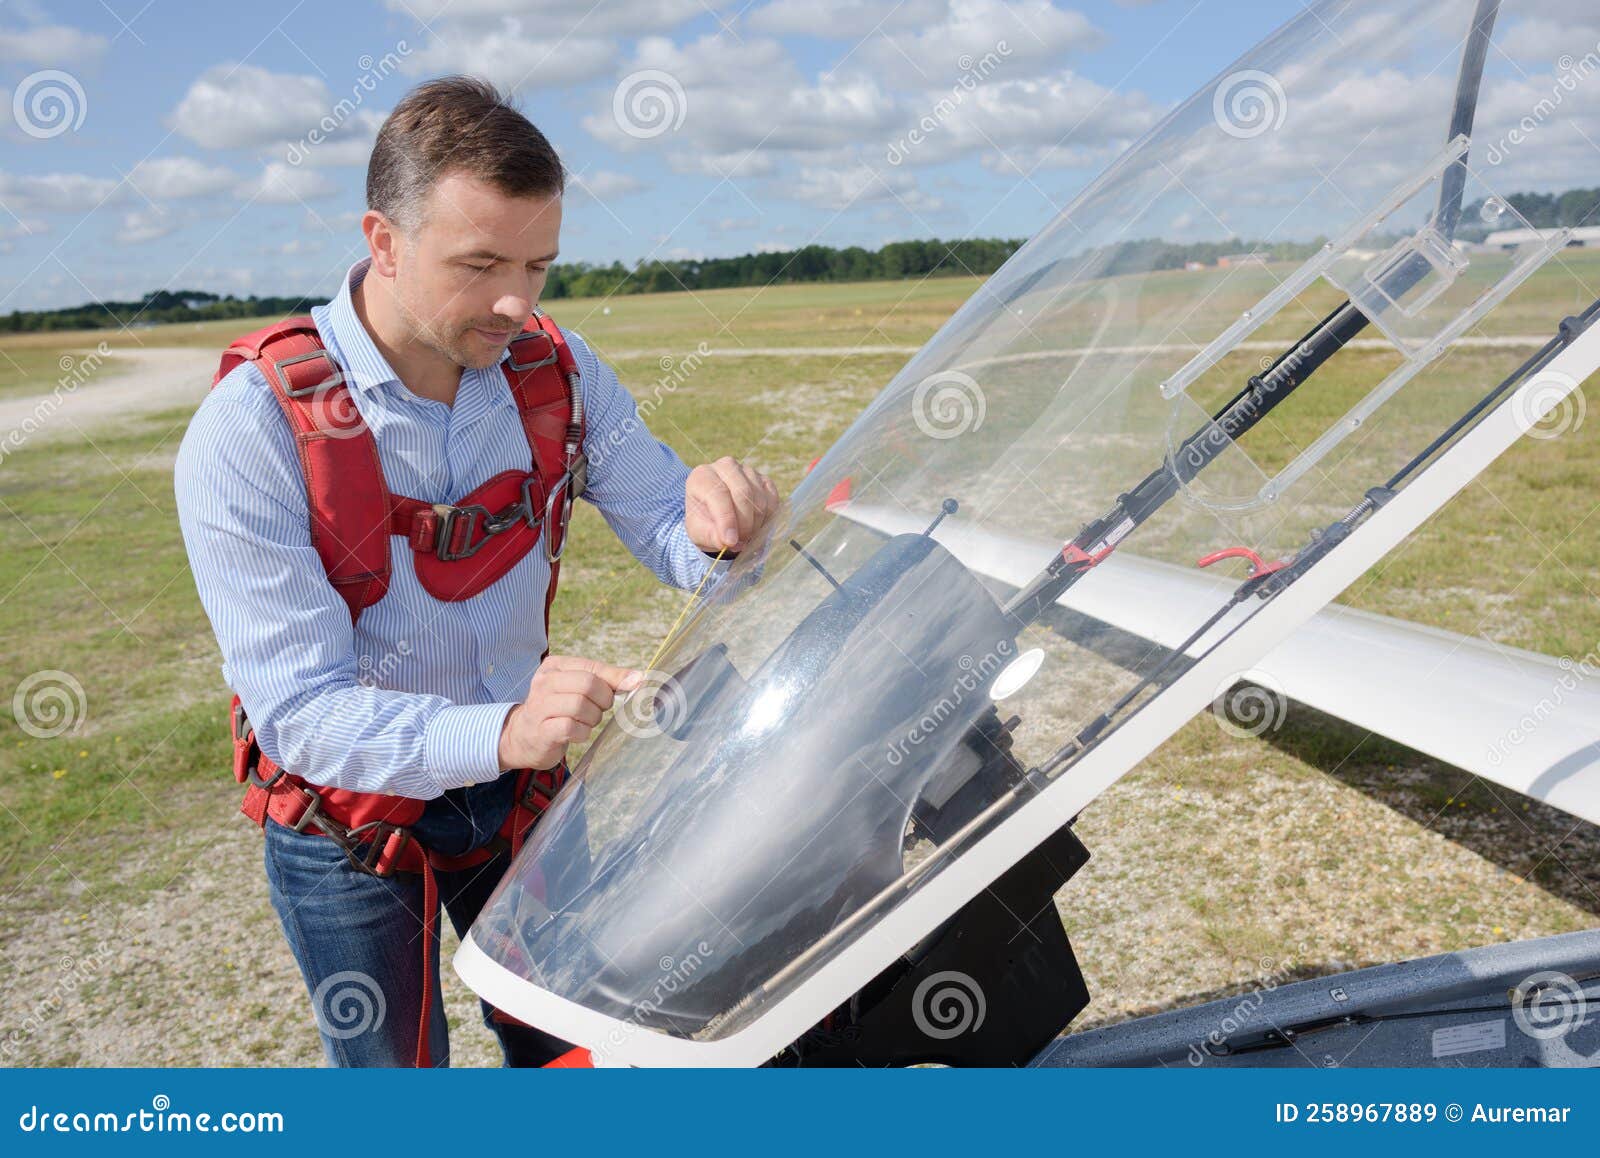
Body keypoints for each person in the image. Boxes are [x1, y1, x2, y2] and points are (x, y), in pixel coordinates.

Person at [174, 75, 780, 1067]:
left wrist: (719, 527)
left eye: (539, 265)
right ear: (382, 241)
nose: (516, 300)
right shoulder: (251, 431)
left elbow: (670, 526)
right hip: (349, 828)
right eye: (480, 264)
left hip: (522, 805)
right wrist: (502, 730)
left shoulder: (558, 371)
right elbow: (299, 716)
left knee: (587, 1049)